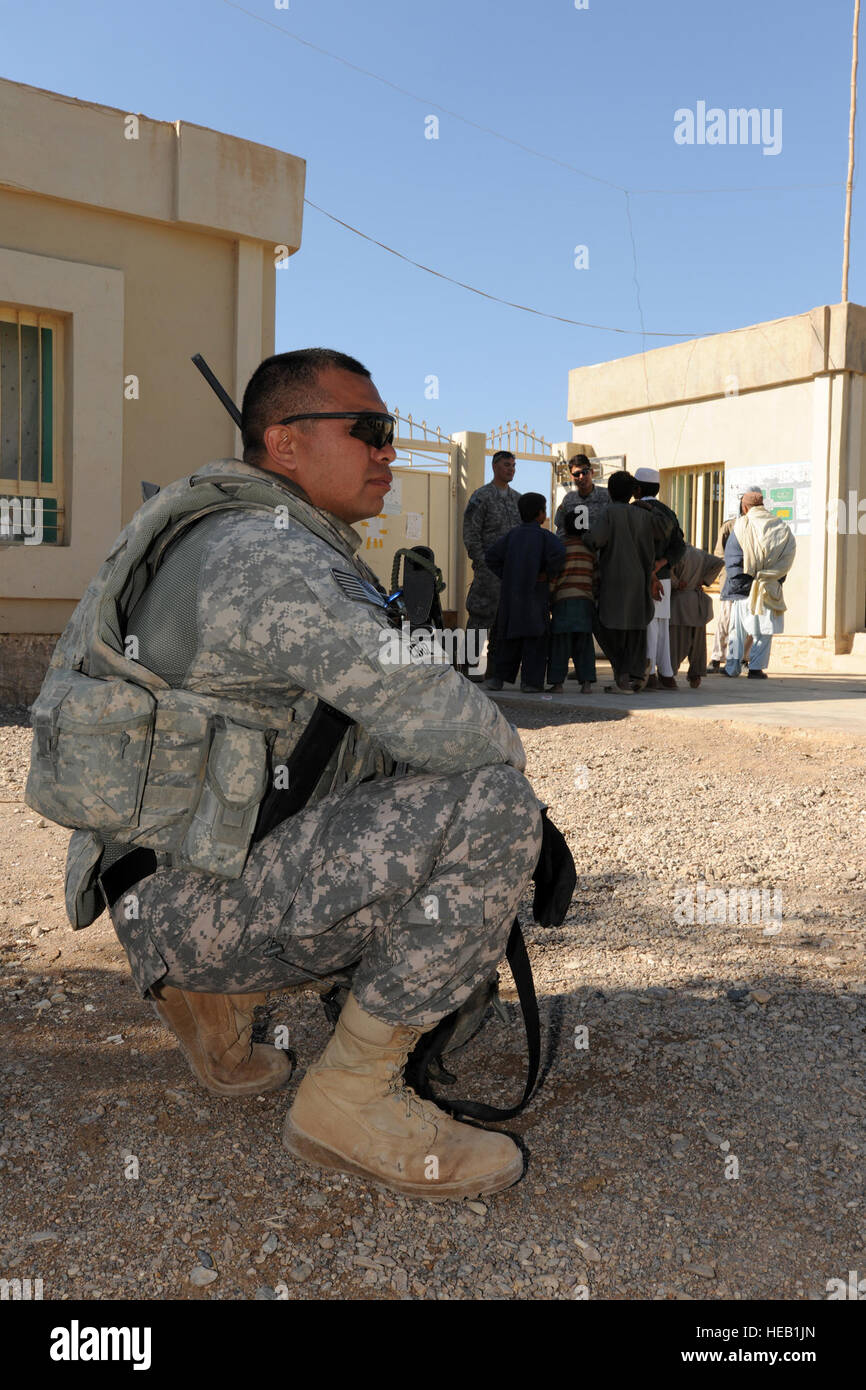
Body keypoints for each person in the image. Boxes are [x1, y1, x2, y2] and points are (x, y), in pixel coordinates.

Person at [48, 348, 544, 1202]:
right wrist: (520, 828)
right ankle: (350, 1097)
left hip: (157, 886)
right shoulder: (277, 557)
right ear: (284, 442)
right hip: (196, 902)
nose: (388, 451)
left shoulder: (220, 527)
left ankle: (212, 1001)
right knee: (495, 806)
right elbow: (457, 728)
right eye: (371, 431)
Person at [484, 492, 566, 693]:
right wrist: (547, 573)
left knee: (508, 640)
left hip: (511, 599)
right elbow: (560, 555)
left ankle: (498, 679)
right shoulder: (546, 537)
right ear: (540, 514)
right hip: (536, 599)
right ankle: (531, 683)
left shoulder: (512, 536)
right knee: (535, 641)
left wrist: (507, 574)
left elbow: (491, 557)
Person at [583, 470, 656, 692]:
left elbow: (593, 539)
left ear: (610, 492)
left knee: (605, 625)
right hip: (640, 579)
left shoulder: (609, 513)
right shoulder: (645, 515)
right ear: (634, 492)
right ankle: (633, 674)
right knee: (636, 628)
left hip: (613, 579)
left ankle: (622, 673)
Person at [723, 490, 796, 679]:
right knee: (765, 630)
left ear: (745, 507)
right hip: (769, 586)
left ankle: (732, 668)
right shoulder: (780, 526)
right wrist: (775, 579)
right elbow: (787, 558)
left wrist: (740, 582)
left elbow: (733, 557)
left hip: (743, 587)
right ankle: (756, 668)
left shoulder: (741, 525)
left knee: (736, 630)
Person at [462, 451, 521, 676]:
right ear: (495, 467)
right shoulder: (482, 496)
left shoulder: (517, 499)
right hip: (489, 571)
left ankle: (496, 671)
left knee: (504, 622)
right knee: (480, 618)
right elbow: (470, 531)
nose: (511, 469)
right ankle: (470, 669)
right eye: (507, 465)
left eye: (514, 466)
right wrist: (480, 561)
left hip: (511, 572)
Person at [631, 467, 687, 691]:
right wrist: (663, 563)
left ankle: (650, 673)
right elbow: (680, 546)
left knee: (647, 626)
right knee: (662, 625)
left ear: (637, 488)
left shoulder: (634, 510)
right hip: (663, 577)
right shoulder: (668, 512)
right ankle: (667, 675)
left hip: (640, 577)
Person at [709, 489, 761, 670]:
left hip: (752, 582)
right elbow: (719, 554)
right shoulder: (730, 526)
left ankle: (743, 658)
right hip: (730, 581)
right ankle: (717, 657)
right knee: (725, 621)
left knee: (749, 622)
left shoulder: (759, 527)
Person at [547, 508, 597, 693]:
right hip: (585, 602)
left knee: (560, 644)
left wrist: (550, 596)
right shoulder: (590, 550)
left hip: (563, 601)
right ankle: (586, 684)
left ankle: (557, 683)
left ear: (566, 528)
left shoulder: (560, 548)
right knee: (584, 644)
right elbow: (596, 577)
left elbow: (553, 577)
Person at [669, 544, 725, 688]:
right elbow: (719, 562)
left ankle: (669, 675)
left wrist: (676, 583)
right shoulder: (699, 553)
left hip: (680, 603)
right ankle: (695, 676)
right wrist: (704, 580)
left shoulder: (675, 553)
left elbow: (667, 572)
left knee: (677, 642)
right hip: (697, 603)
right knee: (698, 644)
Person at [553, 454, 609, 537]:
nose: (581, 477)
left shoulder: (606, 495)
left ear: (592, 472)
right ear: (572, 477)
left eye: (585, 472)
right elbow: (561, 528)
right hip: (576, 547)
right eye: (576, 474)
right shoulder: (568, 500)